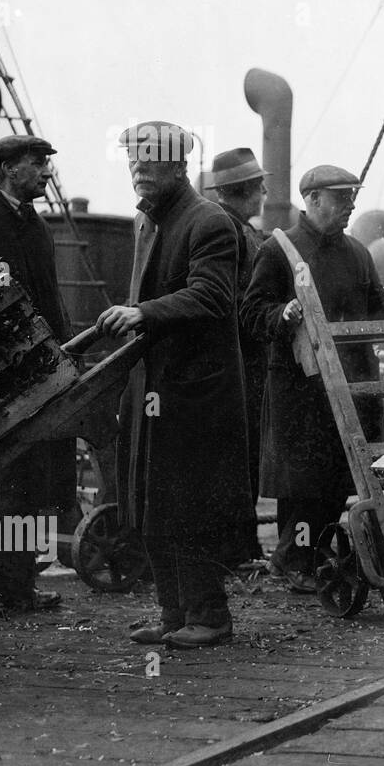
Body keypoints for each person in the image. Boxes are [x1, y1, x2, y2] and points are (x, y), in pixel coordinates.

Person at [97, 121, 251, 648]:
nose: (137, 169)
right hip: (151, 386)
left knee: (189, 504)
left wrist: (140, 314)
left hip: (194, 393)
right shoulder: (148, 222)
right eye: (133, 159)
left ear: (179, 165)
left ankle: (209, 617)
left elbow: (212, 297)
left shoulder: (209, 222)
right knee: (149, 501)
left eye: (149, 159)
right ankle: (172, 613)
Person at [241, 165, 384, 593]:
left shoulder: (357, 253)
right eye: (341, 197)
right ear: (312, 200)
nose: (350, 205)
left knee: (339, 477)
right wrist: (281, 313)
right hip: (301, 390)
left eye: (353, 197)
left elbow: (377, 310)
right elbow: (250, 311)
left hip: (352, 387)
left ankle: (309, 555)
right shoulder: (279, 250)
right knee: (302, 483)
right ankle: (293, 557)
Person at [0, 136, 71, 617]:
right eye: (36, 163)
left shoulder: (35, 227)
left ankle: (17, 584)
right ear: (4, 170)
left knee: (29, 479)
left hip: (39, 373)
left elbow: (50, 299)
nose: (46, 172)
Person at [207, 147, 270, 561]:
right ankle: (235, 549)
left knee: (240, 454)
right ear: (246, 191)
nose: (265, 193)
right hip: (237, 361)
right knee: (236, 455)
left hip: (239, 360)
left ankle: (239, 546)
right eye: (260, 187)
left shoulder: (237, 229)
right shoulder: (227, 232)